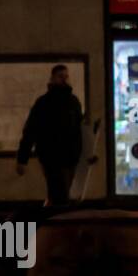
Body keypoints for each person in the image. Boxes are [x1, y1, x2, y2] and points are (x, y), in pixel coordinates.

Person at [15, 64, 85, 206]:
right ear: (52, 79)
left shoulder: (73, 102)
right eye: (61, 77)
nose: (64, 80)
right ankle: (57, 221)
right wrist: (22, 158)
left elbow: (80, 129)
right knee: (60, 193)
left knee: (64, 193)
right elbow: (30, 130)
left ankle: (55, 216)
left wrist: (85, 153)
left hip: (71, 157)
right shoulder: (44, 103)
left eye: (66, 77)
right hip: (51, 157)